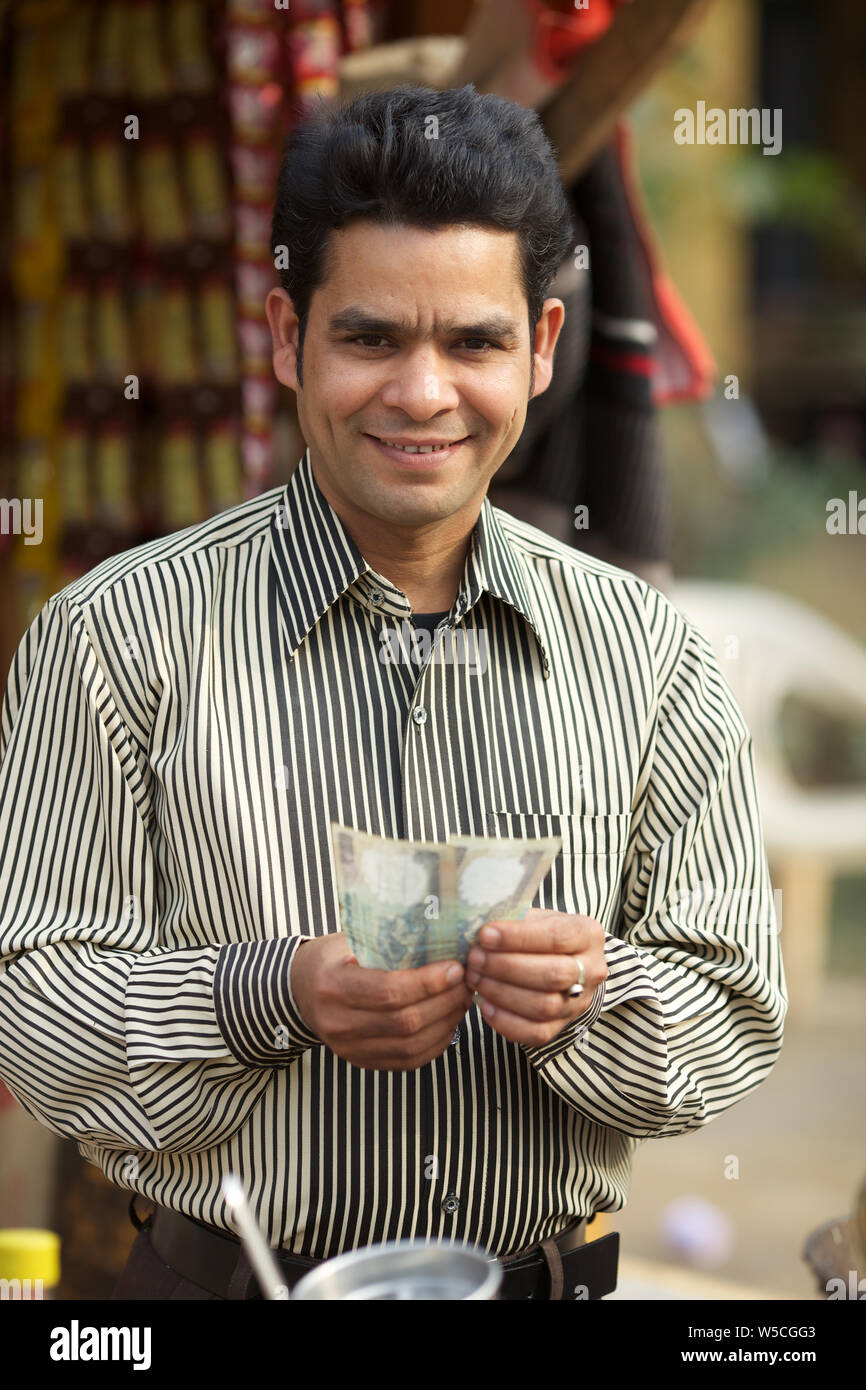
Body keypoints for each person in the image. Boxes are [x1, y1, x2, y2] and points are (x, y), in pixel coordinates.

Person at [0, 85, 786, 1301]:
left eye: (471, 342)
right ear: (284, 335)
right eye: (369, 338)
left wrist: (592, 995)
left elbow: (735, 1008)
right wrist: (272, 991)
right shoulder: (115, 637)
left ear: (539, 346)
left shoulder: (649, 654)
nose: (421, 395)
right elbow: (33, 1003)